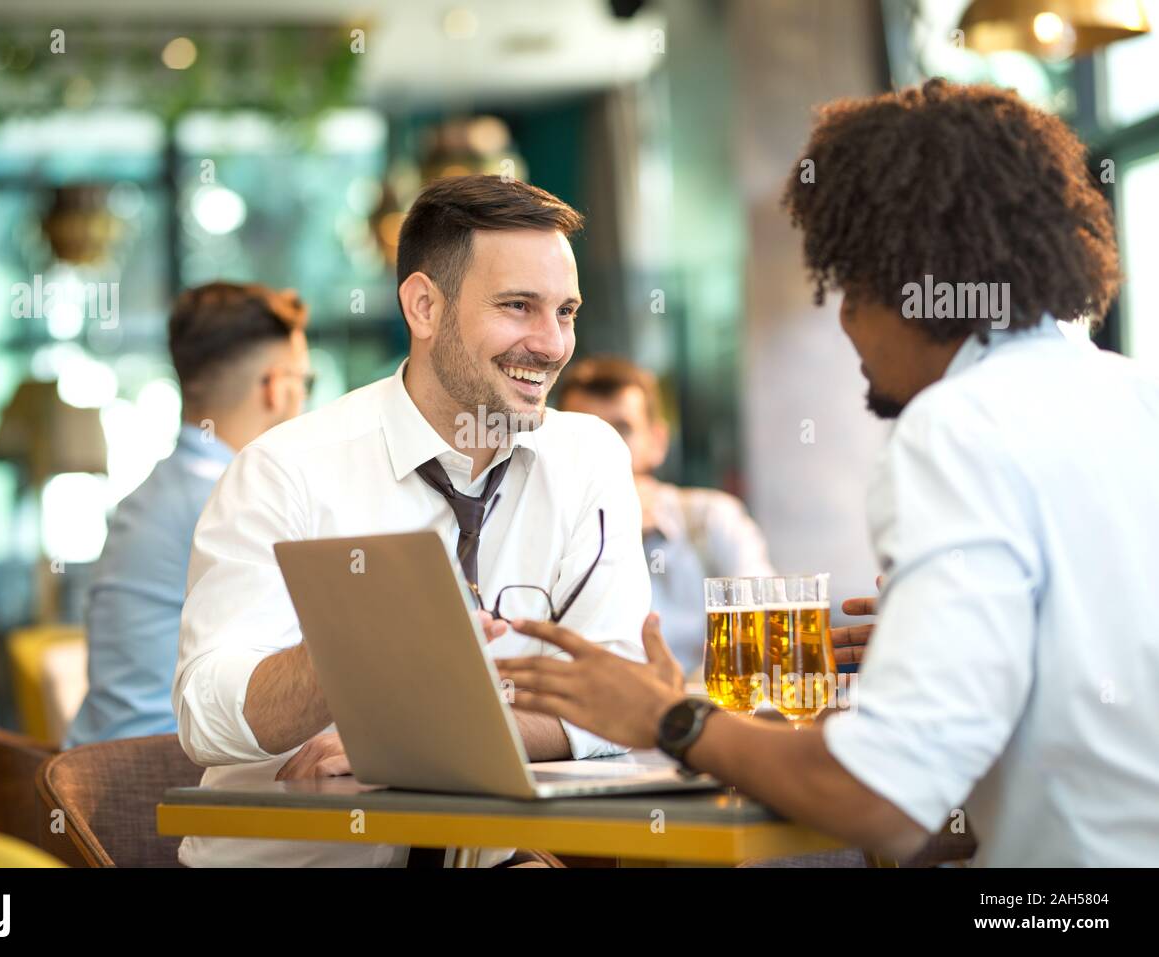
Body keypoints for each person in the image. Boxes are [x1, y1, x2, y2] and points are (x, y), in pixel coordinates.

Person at [497, 79, 1159, 866]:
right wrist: (960, 646)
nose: (843, 318)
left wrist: (672, 717)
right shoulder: (1132, 394)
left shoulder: (955, 430)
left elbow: (879, 800)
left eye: (849, 283)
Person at [172, 175, 652, 867]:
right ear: (424, 305)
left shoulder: (588, 458)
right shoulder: (286, 469)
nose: (551, 344)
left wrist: (422, 743)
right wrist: (349, 657)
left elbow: (619, 695)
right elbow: (204, 715)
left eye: (566, 312)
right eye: (519, 306)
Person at [66, 283, 312, 748]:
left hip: (97, 767)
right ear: (276, 388)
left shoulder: (162, 489)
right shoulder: (233, 503)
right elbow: (299, 676)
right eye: (305, 381)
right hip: (153, 776)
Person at [557, 356, 773, 673]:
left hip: (703, 711)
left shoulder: (712, 519)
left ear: (657, 442)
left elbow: (766, 635)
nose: (603, 448)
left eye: (621, 429)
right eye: (585, 431)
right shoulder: (546, 534)